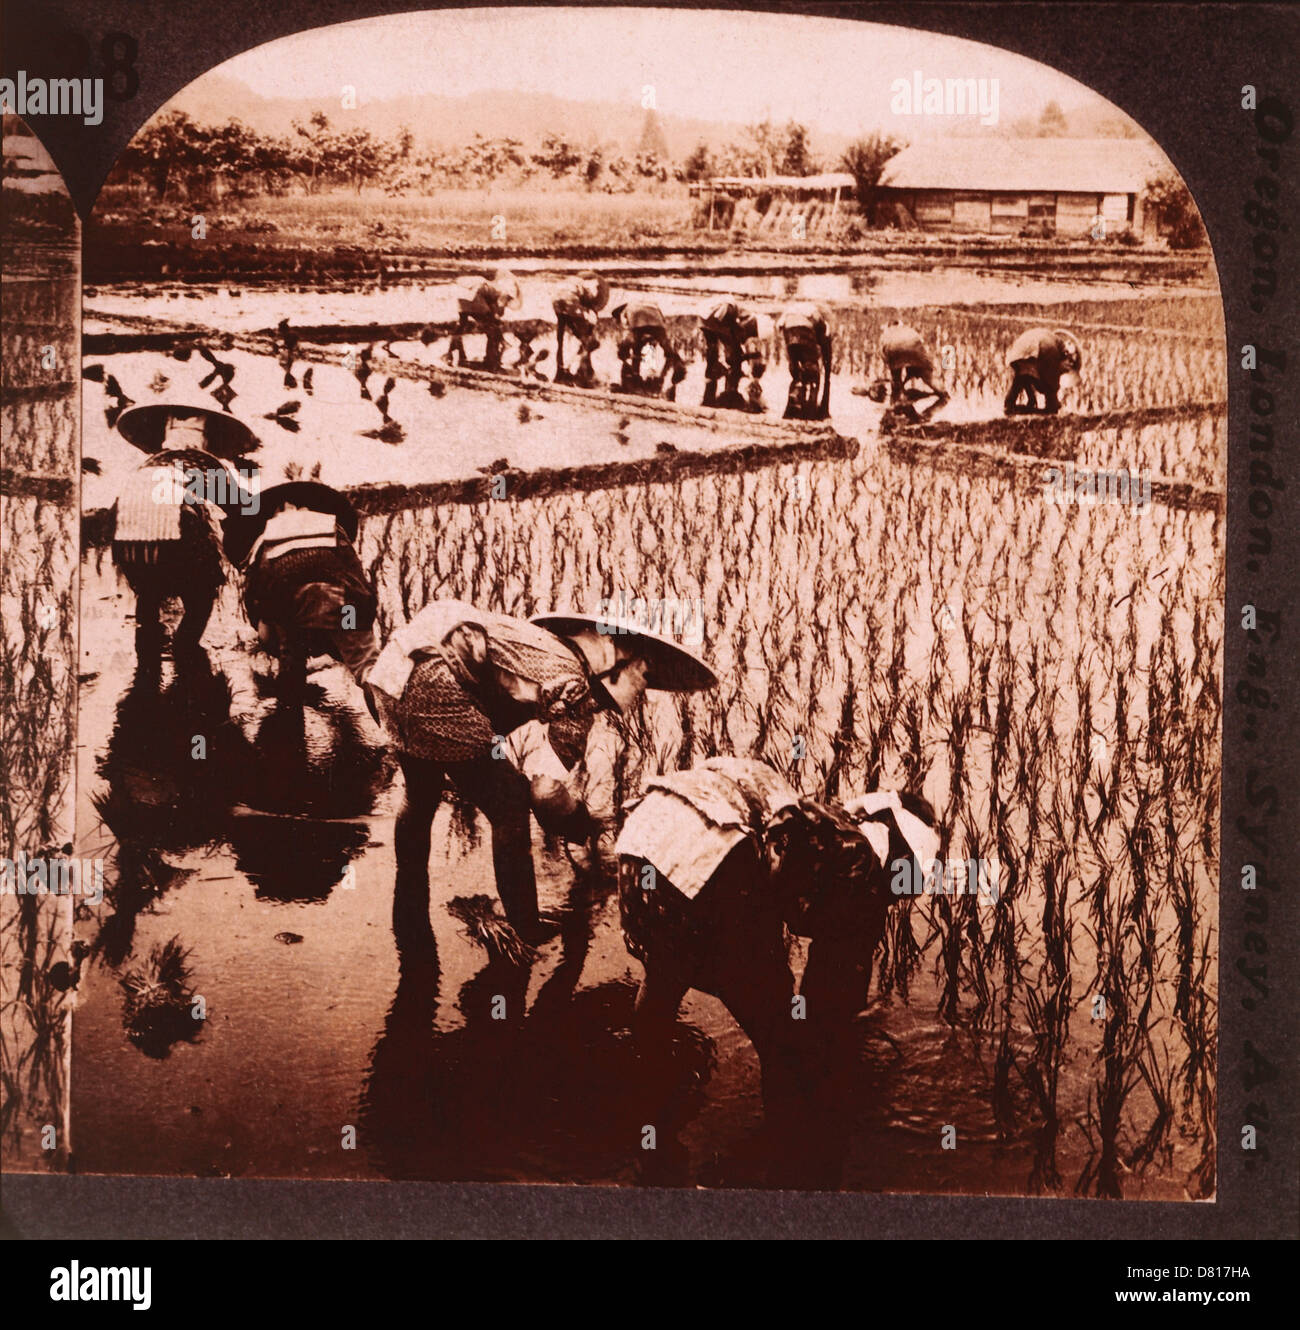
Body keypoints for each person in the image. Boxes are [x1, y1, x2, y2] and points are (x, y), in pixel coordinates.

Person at [615, 757, 938, 1184]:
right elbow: (826, 990)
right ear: (902, 857)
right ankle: (788, 1159)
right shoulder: (858, 856)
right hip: (707, 863)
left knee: (665, 973)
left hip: (639, 850)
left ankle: (650, 1122)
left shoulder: (811, 815)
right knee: (781, 1036)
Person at [367, 602, 716, 948]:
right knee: (510, 806)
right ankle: (526, 927)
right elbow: (545, 794)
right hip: (436, 688)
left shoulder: (542, 644)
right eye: (638, 682)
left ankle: (409, 897)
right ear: (615, 669)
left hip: (390, 672)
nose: (603, 707)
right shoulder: (574, 686)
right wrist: (581, 823)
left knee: (420, 794)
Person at [110, 403, 260, 659]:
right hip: (175, 536)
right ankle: (186, 650)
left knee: (148, 592)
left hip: (127, 541)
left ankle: (147, 656)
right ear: (202, 439)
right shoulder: (198, 463)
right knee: (202, 595)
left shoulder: (148, 465)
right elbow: (239, 506)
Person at [225, 481, 379, 701]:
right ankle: (392, 723)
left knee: (291, 660)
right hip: (344, 598)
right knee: (364, 664)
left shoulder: (265, 537)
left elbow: (256, 598)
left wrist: (270, 635)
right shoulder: (331, 525)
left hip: (286, 600)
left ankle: (291, 722)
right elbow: (358, 582)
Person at [445, 269, 520, 373]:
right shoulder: (501, 293)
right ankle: (491, 360)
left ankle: (451, 354)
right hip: (474, 298)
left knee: (462, 326)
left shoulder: (491, 287)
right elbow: (495, 313)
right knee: (492, 330)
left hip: (461, 296)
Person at [700, 299, 768, 410]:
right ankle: (729, 393)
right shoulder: (747, 320)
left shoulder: (737, 316)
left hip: (707, 318)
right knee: (732, 358)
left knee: (714, 357)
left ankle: (710, 397)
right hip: (721, 317)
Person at [611, 301, 687, 401]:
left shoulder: (626, 311)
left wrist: (623, 350)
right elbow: (662, 320)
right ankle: (677, 365)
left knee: (634, 347)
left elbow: (628, 331)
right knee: (666, 347)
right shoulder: (645, 304)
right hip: (657, 320)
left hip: (638, 321)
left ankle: (634, 374)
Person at [1004, 327, 1082, 415]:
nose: (1062, 372)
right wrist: (1053, 400)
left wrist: (1031, 397)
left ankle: (1009, 404)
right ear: (1066, 357)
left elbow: (1027, 375)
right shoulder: (1054, 350)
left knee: (1020, 378)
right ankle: (1050, 408)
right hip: (1041, 346)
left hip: (1019, 348)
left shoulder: (1051, 339)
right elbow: (1051, 381)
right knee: (1051, 393)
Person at [552, 272, 610, 386]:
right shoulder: (591, 286)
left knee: (560, 337)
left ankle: (561, 369)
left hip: (556, 301)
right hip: (571, 301)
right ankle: (575, 367)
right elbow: (589, 304)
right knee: (586, 340)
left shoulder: (572, 281)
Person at [778, 303, 833, 420]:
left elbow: (781, 326)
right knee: (813, 374)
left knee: (796, 374)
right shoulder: (817, 315)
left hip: (788, 330)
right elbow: (824, 343)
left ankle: (793, 404)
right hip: (804, 329)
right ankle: (810, 410)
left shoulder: (794, 308)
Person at [880, 321, 949, 408]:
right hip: (913, 346)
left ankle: (894, 403)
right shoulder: (909, 330)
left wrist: (891, 366)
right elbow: (922, 347)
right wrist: (925, 367)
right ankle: (943, 394)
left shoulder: (886, 333)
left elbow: (883, 354)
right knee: (927, 376)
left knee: (896, 379)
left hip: (894, 349)